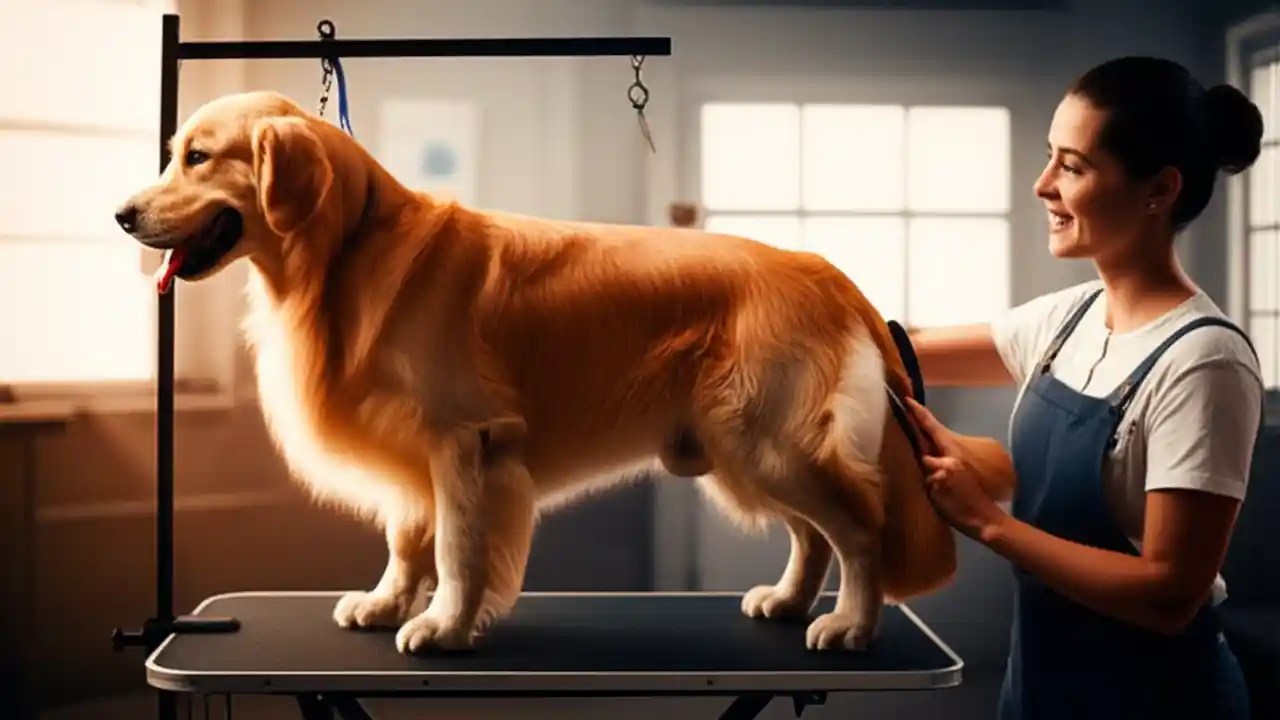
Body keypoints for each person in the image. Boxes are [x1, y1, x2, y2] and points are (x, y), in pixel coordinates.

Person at [901, 56, 1266, 719]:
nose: (1042, 184)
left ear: (1159, 190)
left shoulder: (1204, 361)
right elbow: (905, 351)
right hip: (1039, 690)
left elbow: (1169, 594)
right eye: (1050, 158)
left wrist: (988, 522)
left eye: (1072, 167)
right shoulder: (1068, 319)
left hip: (1156, 703)